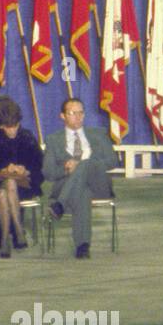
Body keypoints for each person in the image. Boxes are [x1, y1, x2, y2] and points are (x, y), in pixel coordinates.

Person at [42, 97, 116, 259]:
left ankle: (59, 205)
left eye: (81, 113)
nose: (78, 116)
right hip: (70, 187)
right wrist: (66, 168)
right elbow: (48, 172)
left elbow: (112, 161)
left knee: (84, 164)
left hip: (98, 183)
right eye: (72, 113)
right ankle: (83, 246)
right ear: (63, 116)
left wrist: (85, 164)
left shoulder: (98, 134)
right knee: (83, 193)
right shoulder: (53, 140)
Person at [0, 95, 44, 258]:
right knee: (4, 189)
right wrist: (4, 170)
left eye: (15, 126)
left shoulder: (27, 137)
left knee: (9, 187)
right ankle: (18, 231)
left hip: (26, 185)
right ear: (0, 125)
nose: (12, 130)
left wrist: (25, 170)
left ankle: (5, 240)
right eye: (8, 127)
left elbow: (40, 165)